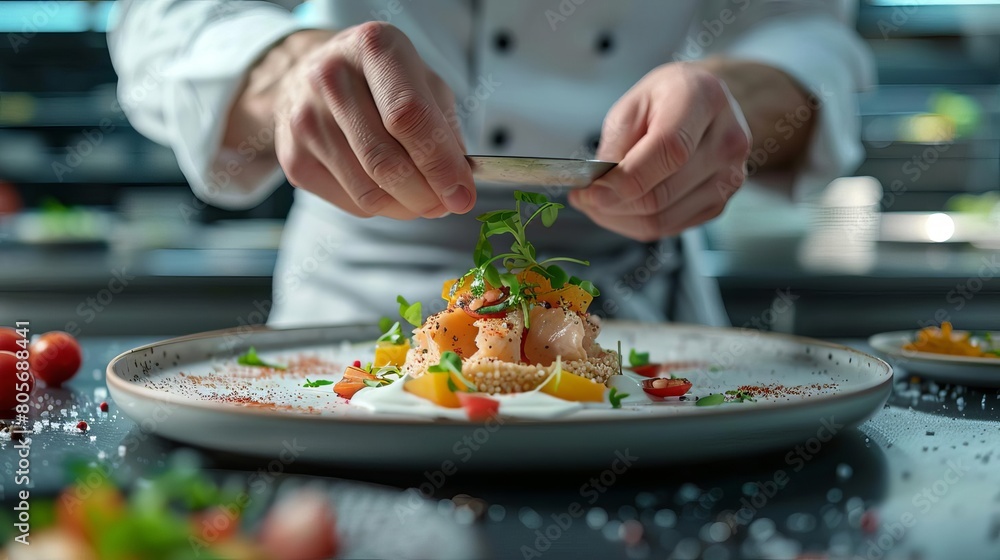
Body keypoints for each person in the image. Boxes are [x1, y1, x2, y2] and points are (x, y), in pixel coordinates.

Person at [108, 1, 874, 327]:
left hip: (645, 306)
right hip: (343, 302)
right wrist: (285, 69)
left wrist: (727, 102)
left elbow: (808, 28)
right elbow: (160, 19)